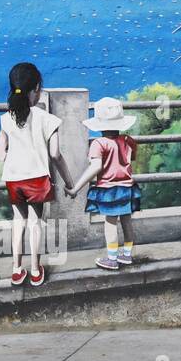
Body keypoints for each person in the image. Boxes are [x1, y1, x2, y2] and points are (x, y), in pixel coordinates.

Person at [0, 62, 74, 287]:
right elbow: (55, 154)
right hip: (37, 178)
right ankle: (36, 270)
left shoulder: (6, 118)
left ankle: (17, 270)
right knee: (35, 222)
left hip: (14, 178)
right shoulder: (45, 119)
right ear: (37, 88)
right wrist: (69, 182)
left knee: (18, 221)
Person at [65, 97, 141, 271]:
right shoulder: (128, 140)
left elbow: (96, 167)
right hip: (128, 187)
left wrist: (76, 188)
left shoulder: (98, 144)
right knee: (127, 221)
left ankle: (112, 259)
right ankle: (127, 255)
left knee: (110, 223)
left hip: (109, 189)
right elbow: (132, 158)